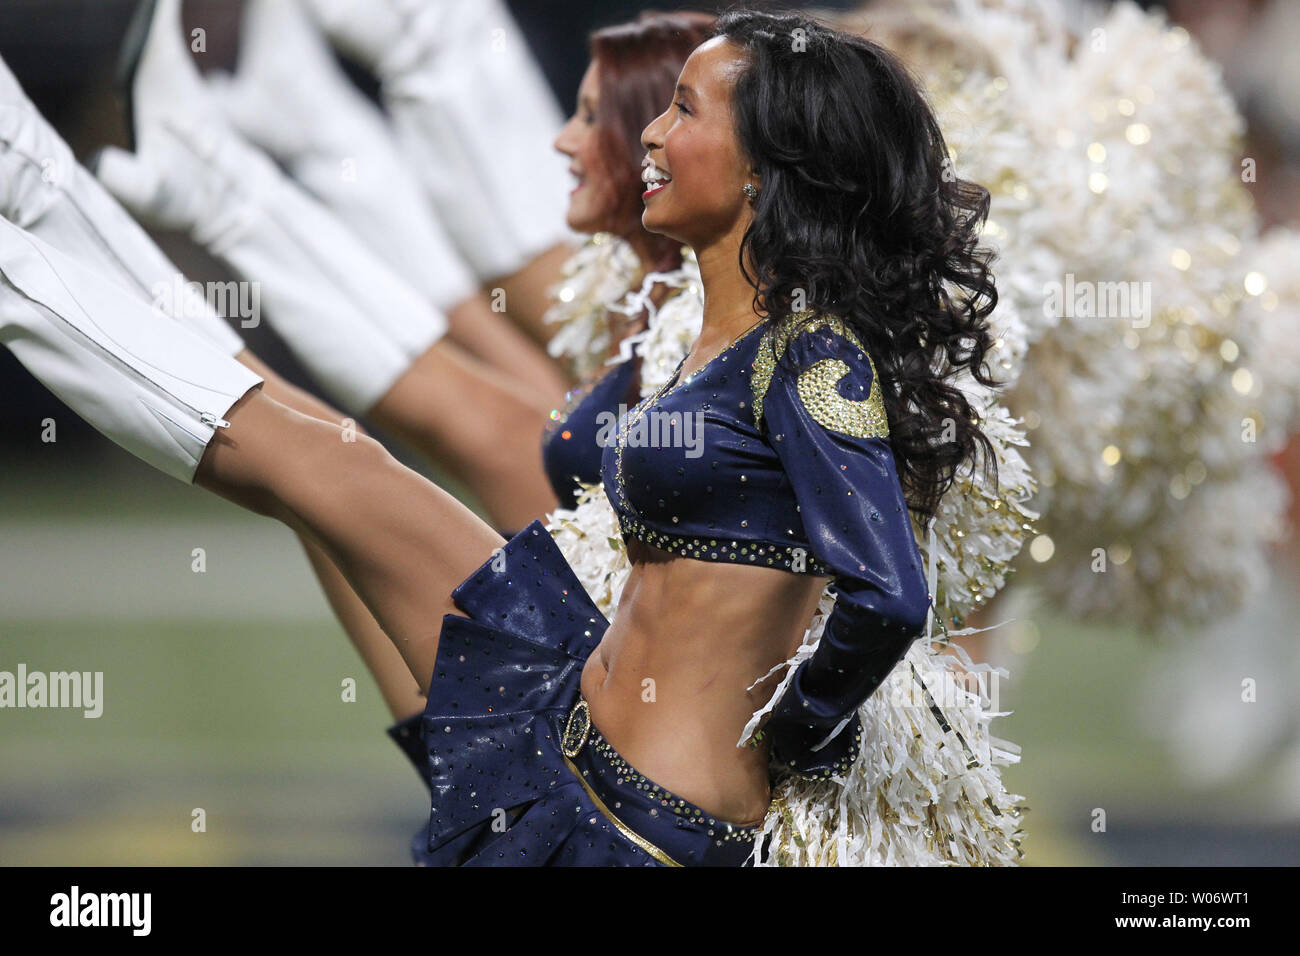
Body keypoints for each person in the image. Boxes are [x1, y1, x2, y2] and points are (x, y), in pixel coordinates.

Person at [1, 9, 1008, 866]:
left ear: (764, 167)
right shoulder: (720, 325)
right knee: (313, 459)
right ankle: (42, 181)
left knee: (303, 456)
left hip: (631, 816)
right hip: (562, 685)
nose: (644, 136)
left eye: (682, 112)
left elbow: (886, 593)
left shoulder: (815, 354)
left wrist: (798, 736)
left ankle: (50, 197)